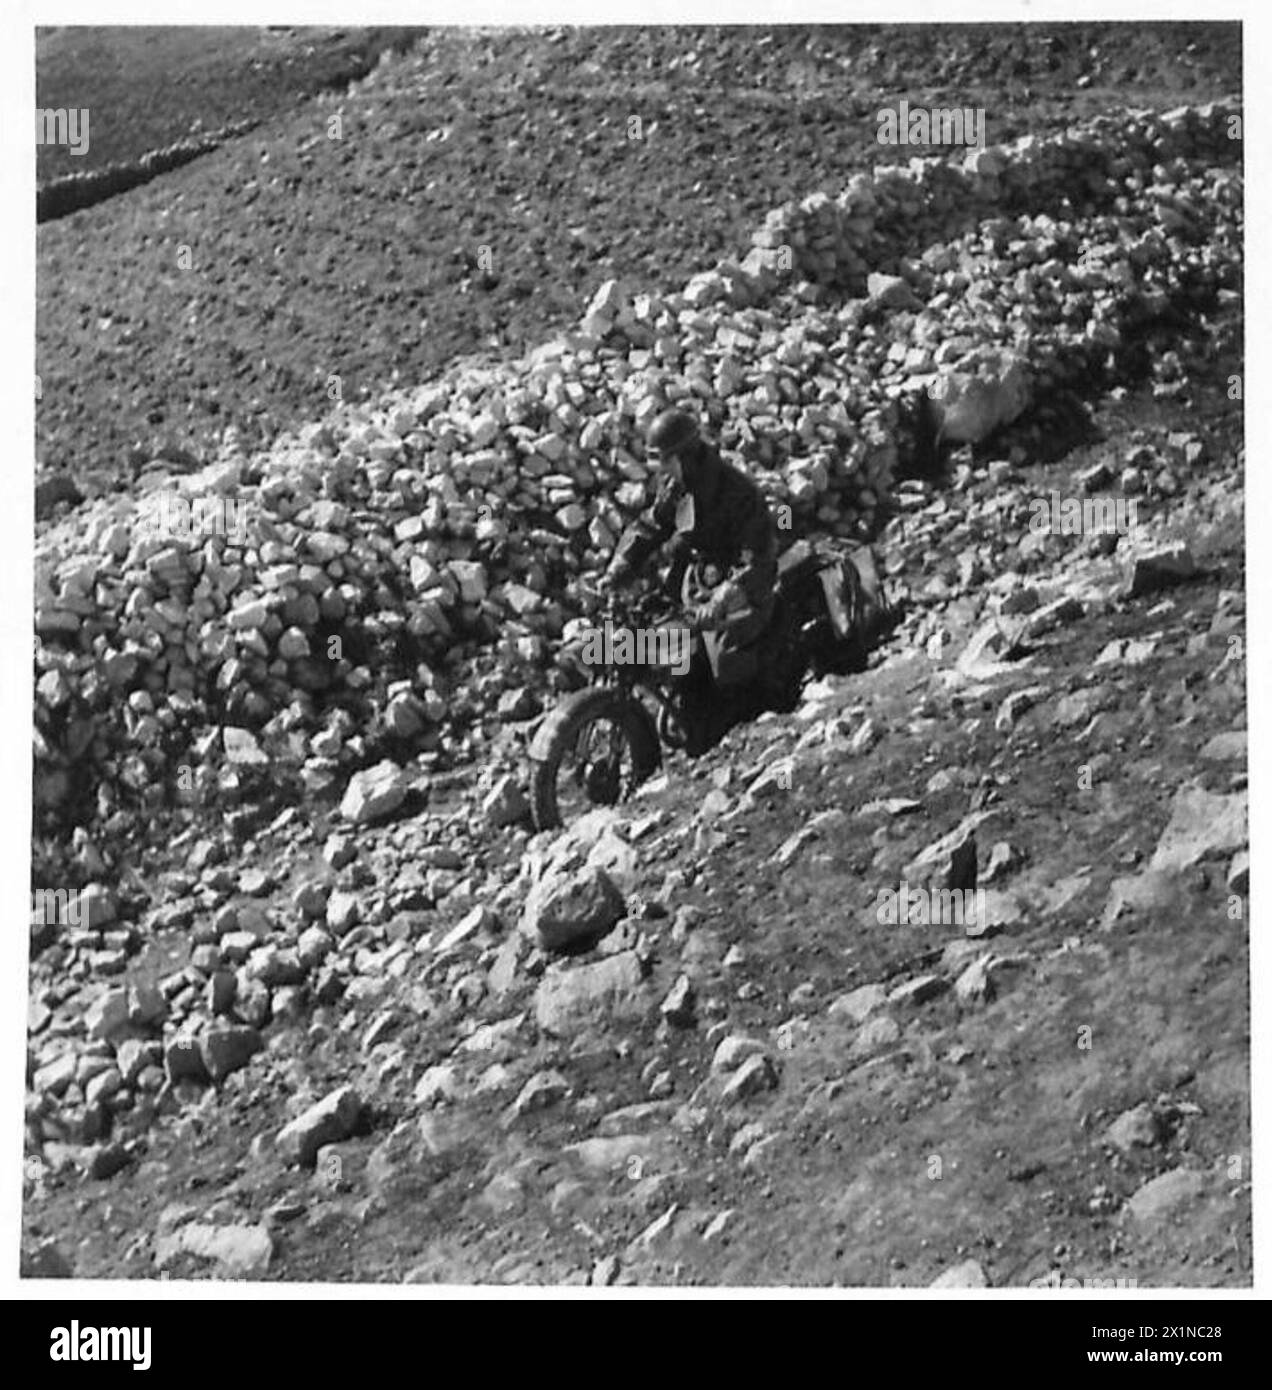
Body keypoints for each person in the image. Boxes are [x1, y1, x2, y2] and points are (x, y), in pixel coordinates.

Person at [602, 409, 779, 691]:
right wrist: (620, 565)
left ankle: (750, 708)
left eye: (665, 459)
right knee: (655, 634)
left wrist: (722, 599)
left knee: (724, 662)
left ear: (686, 456)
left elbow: (756, 555)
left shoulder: (738, 491)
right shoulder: (676, 486)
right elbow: (651, 525)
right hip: (699, 573)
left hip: (745, 581)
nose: (661, 468)